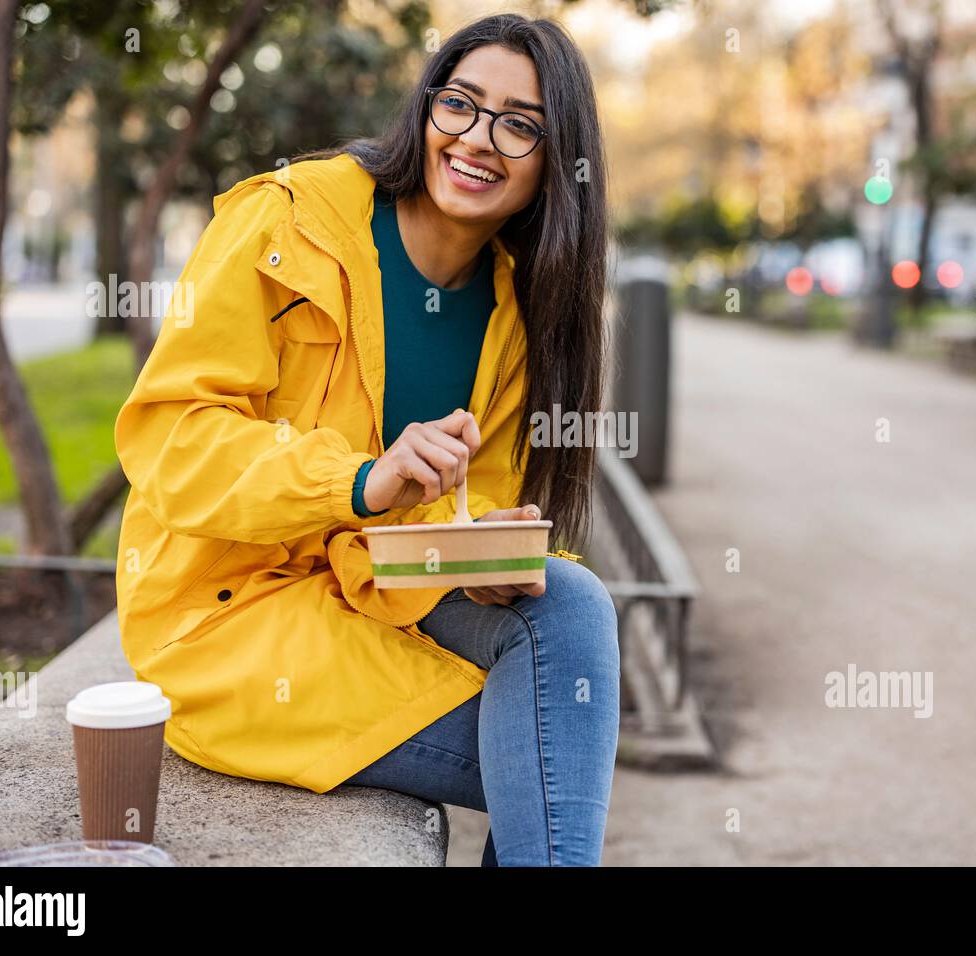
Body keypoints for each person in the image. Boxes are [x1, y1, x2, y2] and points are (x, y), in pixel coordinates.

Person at [113, 13, 617, 866]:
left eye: (519, 124)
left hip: (376, 602)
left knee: (570, 611)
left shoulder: (514, 315)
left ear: (555, 165)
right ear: (425, 110)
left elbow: (448, 518)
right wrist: (356, 481)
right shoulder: (285, 223)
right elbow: (171, 435)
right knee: (550, 754)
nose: (478, 140)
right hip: (232, 621)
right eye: (459, 104)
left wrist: (479, 558)